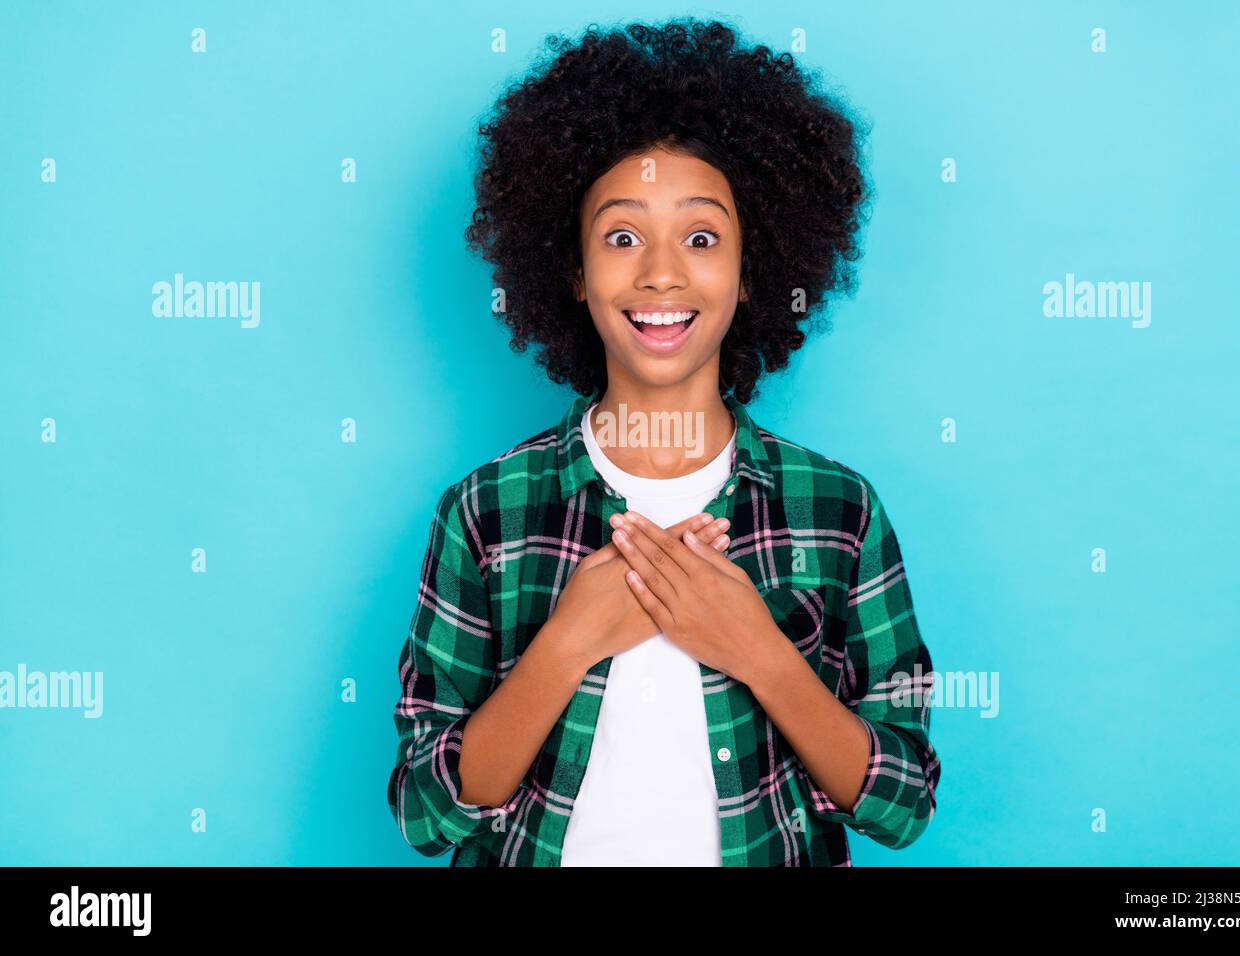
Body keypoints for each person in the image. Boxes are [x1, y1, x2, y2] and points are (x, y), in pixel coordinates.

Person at [386, 17, 940, 866]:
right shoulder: (485, 511)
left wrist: (759, 652)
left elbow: (903, 805)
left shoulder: (840, 511)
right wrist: (568, 639)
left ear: (752, 267)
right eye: (621, 237)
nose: (661, 273)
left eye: (702, 236)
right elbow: (428, 815)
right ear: (571, 270)